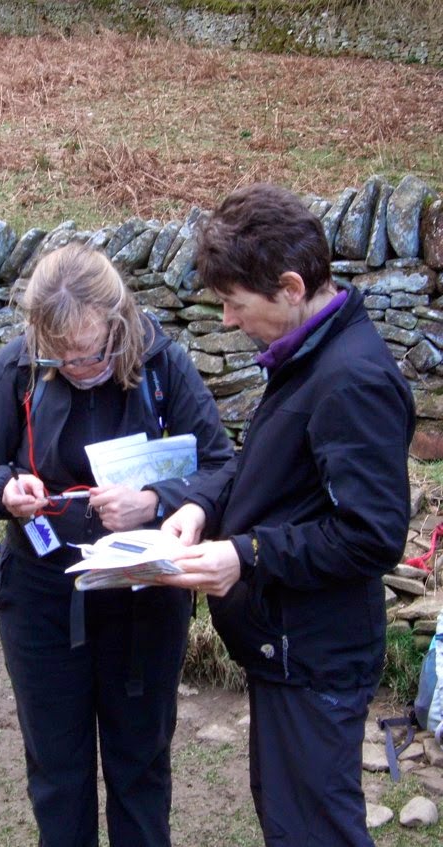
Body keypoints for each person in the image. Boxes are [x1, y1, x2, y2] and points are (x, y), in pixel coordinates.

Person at [155, 183, 415, 847]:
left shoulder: (351, 379)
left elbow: (372, 535)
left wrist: (245, 554)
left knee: (315, 832)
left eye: (236, 305)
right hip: (287, 650)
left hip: (316, 656)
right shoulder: (306, 356)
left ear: (291, 285)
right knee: (290, 822)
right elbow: (271, 470)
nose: (230, 322)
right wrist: (200, 505)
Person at [0, 243, 234, 847]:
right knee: (58, 771)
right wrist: (6, 490)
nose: (79, 368)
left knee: (140, 765)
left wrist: (156, 501)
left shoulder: (164, 367)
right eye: (64, 358)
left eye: (92, 353)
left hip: (144, 598)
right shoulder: (21, 366)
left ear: (118, 318)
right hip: (42, 601)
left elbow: (221, 467)